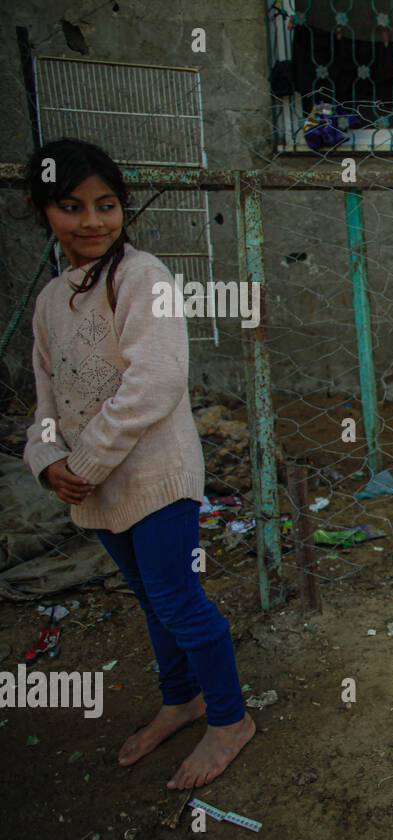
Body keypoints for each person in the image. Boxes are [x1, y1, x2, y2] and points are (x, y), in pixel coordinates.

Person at [21, 138, 254, 790]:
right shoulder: (49, 301)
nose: (92, 220)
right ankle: (181, 700)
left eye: (106, 204)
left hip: (156, 476)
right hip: (94, 485)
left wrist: (85, 460)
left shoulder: (142, 276)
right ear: (43, 211)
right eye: (71, 206)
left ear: (123, 208)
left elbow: (157, 380)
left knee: (180, 601)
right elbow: (43, 399)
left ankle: (231, 719)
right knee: (152, 602)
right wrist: (46, 460)